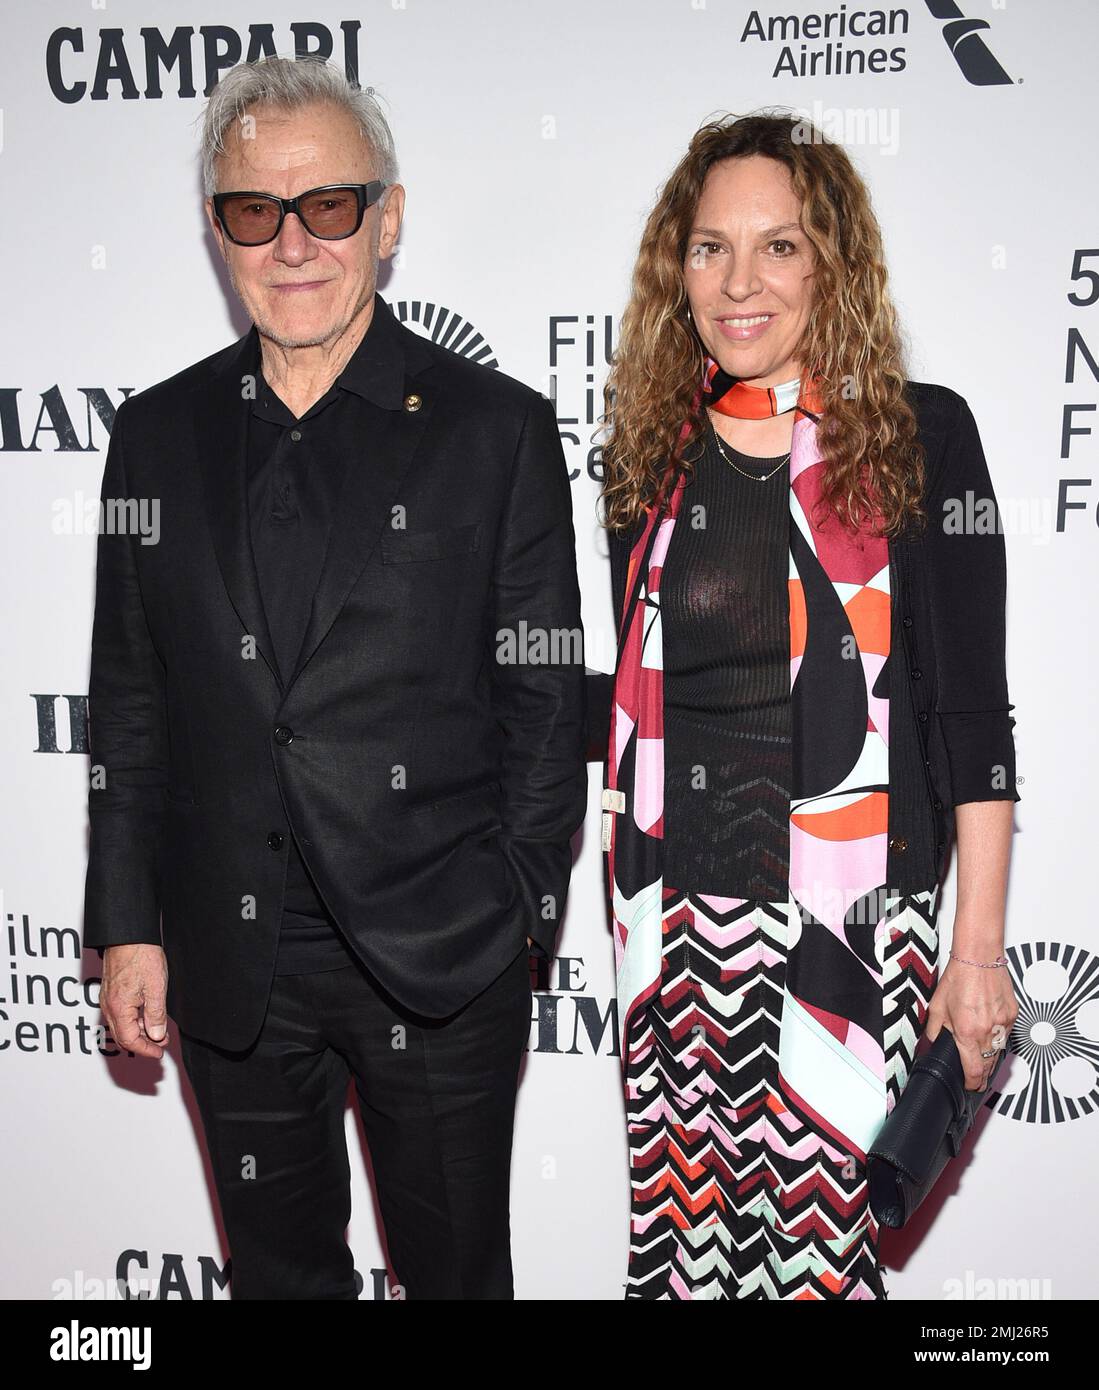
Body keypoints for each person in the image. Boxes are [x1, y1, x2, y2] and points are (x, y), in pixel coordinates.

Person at [82, 55, 587, 1300]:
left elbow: (542, 699)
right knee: (275, 1278)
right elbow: (131, 701)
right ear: (218, 229)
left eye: (331, 206)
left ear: (390, 216)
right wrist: (127, 923)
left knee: (455, 1276)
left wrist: (516, 908)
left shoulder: (495, 429)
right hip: (231, 959)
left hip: (440, 951)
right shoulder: (157, 435)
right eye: (255, 210)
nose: (293, 242)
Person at [594, 112, 1020, 1300]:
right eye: (708, 248)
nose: (739, 283)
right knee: (679, 1255)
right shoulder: (647, 456)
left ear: (829, 261)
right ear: (672, 272)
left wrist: (974, 954)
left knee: (819, 1264)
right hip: (669, 928)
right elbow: (641, 711)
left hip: (844, 932)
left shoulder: (920, 437)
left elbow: (973, 720)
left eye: (777, 246)